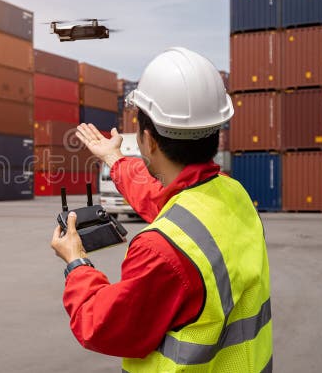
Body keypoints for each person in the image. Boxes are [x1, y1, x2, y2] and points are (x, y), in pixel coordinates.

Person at [50, 47, 273, 372]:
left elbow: (102, 325)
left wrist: (76, 263)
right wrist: (113, 158)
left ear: (148, 140)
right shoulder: (231, 192)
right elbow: (161, 194)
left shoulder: (161, 249)